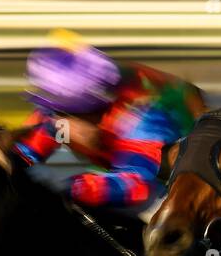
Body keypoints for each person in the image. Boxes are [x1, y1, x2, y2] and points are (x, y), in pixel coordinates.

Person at [14, 30, 203, 219]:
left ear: (93, 110)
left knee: (154, 208)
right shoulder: (56, 115)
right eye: (54, 114)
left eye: (63, 115)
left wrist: (68, 186)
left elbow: (137, 185)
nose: (58, 123)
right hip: (109, 164)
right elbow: (18, 156)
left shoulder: (141, 118)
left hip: (160, 182)